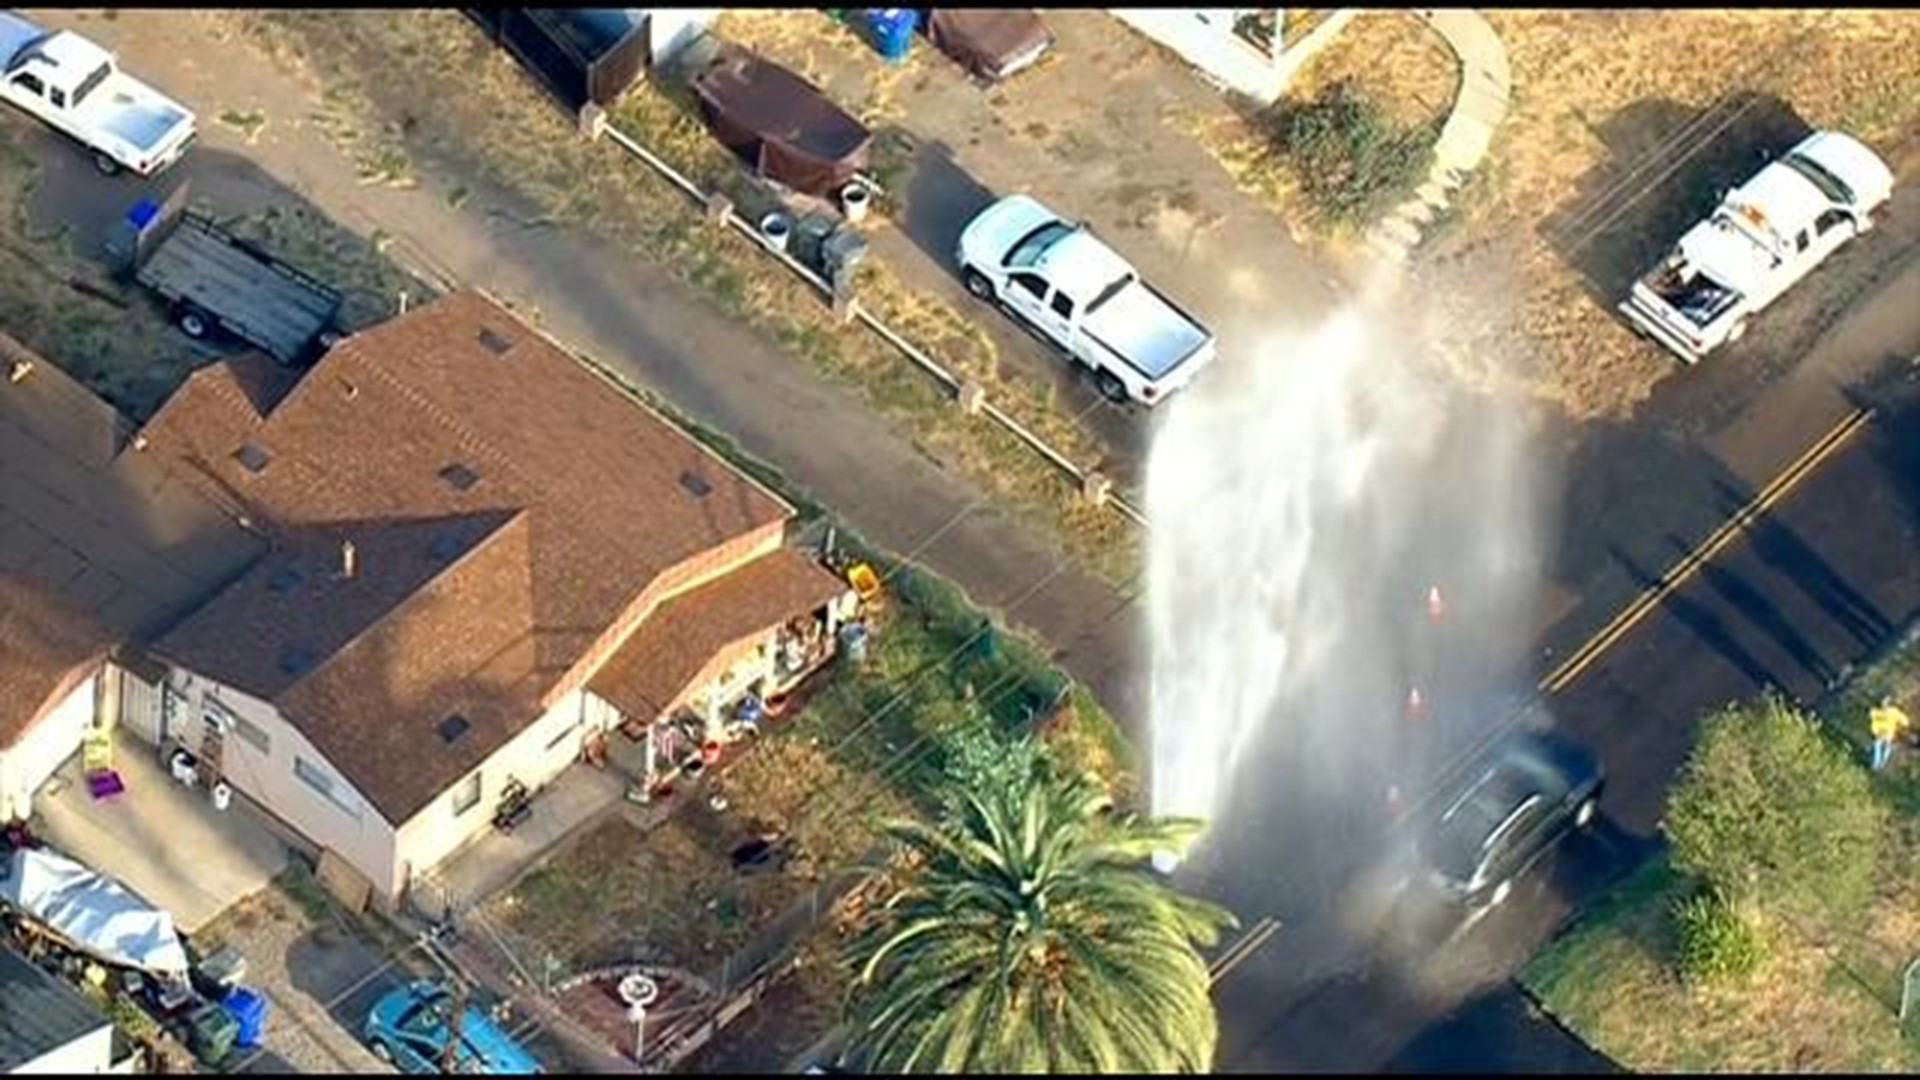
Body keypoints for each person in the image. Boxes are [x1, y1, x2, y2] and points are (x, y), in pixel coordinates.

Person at [1869, 699, 1911, 771]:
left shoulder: (1880, 710)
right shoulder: (1895, 712)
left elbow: (1872, 715)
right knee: (1886, 747)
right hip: (1888, 733)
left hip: (1881, 732)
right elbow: (1906, 722)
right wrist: (1899, 726)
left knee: (1878, 746)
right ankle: (1882, 763)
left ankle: (1876, 764)